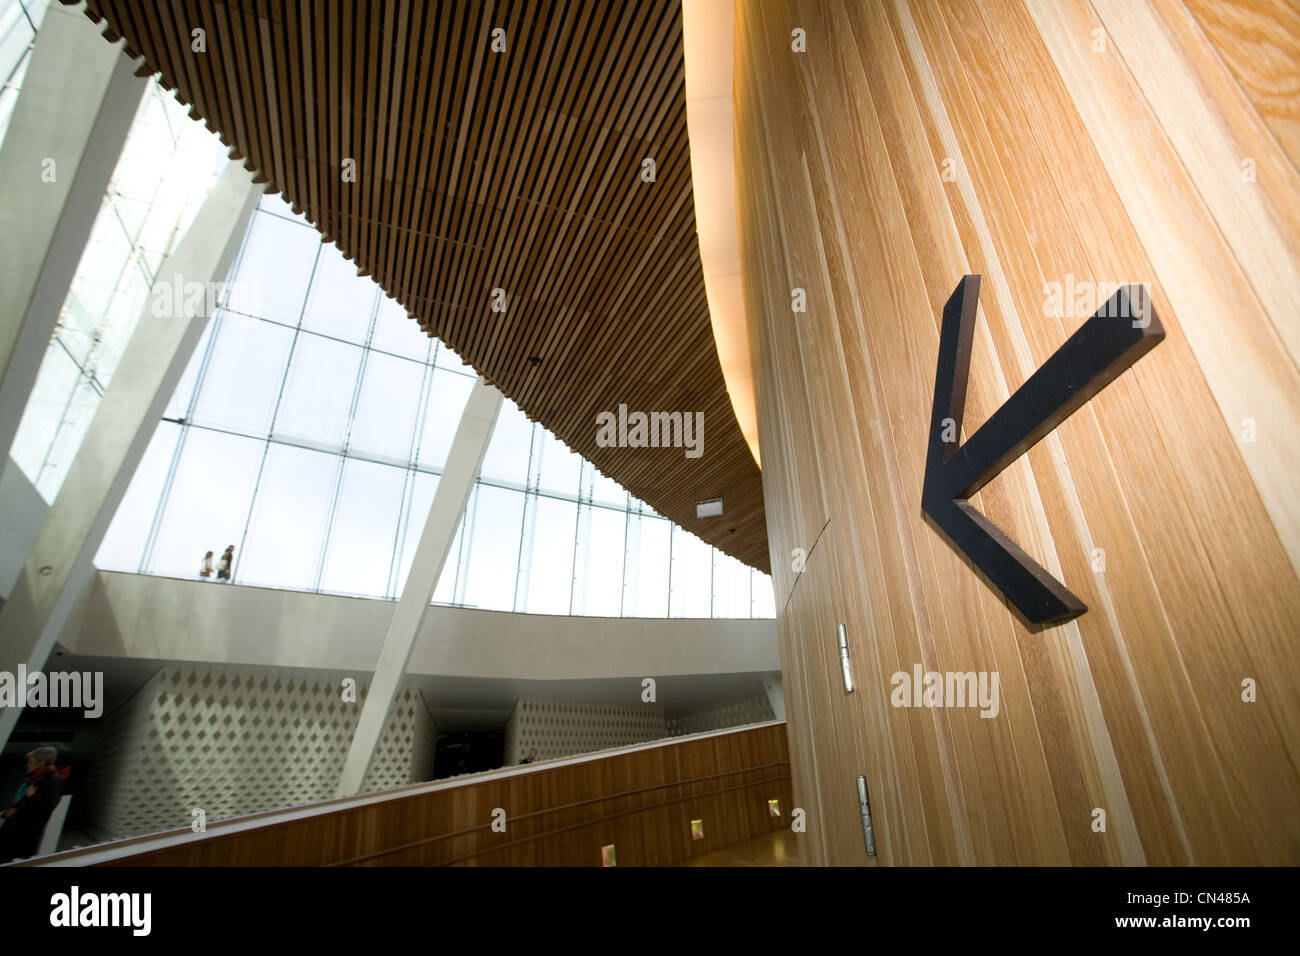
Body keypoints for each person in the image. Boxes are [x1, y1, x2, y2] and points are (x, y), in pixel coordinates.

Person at [0, 747, 68, 862]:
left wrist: (33, 795)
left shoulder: (53, 779)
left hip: (24, 836)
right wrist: (10, 812)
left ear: (42, 763)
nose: (27, 765)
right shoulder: (33, 778)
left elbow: (48, 806)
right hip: (13, 830)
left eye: (31, 762)